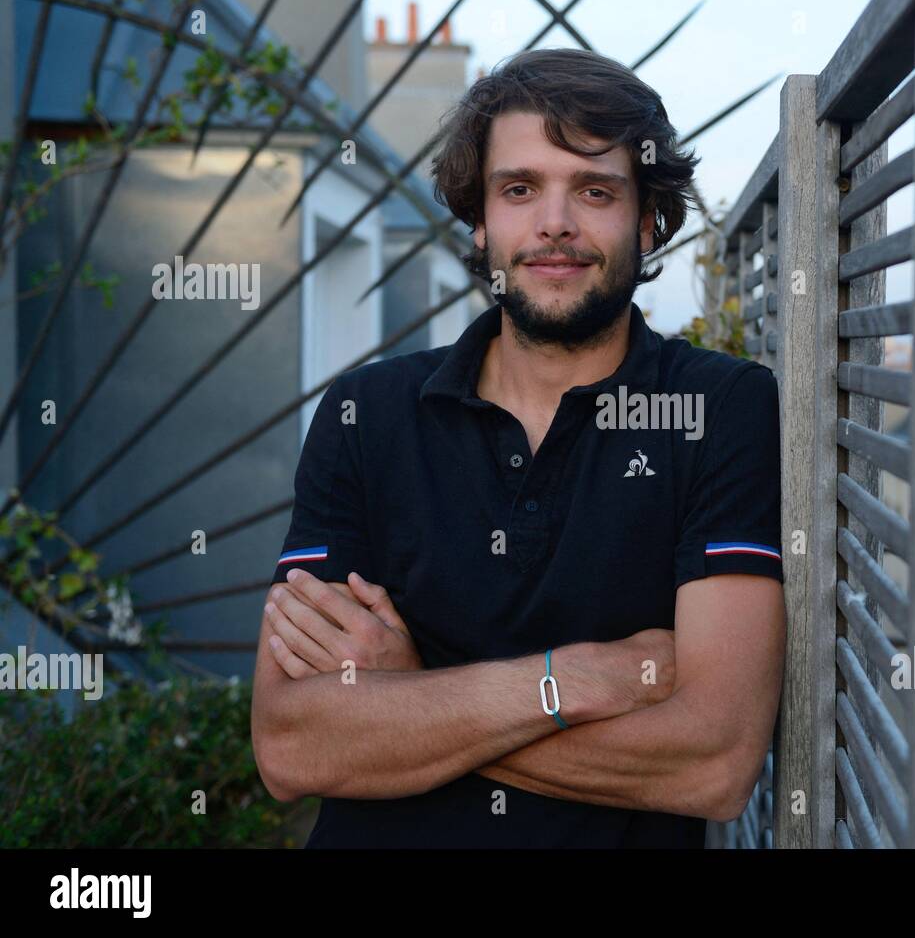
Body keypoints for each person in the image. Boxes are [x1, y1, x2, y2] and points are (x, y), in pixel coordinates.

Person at [250, 48, 786, 848]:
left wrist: (411, 697)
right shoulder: (366, 414)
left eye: (595, 191)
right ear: (480, 220)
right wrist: (582, 679)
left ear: (647, 222)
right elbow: (293, 743)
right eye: (520, 189)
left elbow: (712, 762)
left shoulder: (718, 407)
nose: (554, 223)